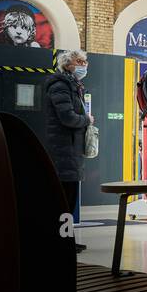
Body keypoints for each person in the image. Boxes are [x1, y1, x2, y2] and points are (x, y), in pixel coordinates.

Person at [44, 49, 92, 253]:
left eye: (85, 61)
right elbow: (68, 117)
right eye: (78, 61)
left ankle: (67, 238)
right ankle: (61, 241)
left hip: (71, 148)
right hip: (63, 149)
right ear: (67, 65)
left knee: (69, 198)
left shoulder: (74, 86)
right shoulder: (60, 86)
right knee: (64, 199)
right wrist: (86, 120)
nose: (83, 65)